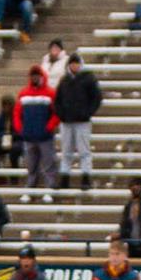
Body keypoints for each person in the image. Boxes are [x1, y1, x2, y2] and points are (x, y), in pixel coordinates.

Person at [52, 50, 98, 191]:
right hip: (67, 121)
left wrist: (87, 113)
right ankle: (65, 177)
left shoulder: (88, 79)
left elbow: (96, 98)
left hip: (82, 121)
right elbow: (57, 100)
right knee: (66, 151)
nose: (74, 66)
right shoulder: (64, 80)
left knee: (84, 151)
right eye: (72, 63)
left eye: (76, 63)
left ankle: (86, 177)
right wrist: (61, 115)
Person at [13, 64, 58, 199]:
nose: (34, 78)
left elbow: (57, 113)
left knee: (48, 163)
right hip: (29, 136)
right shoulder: (23, 93)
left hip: (45, 137)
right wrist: (20, 129)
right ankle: (30, 188)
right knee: (31, 165)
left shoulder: (50, 93)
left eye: (37, 76)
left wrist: (49, 127)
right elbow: (16, 113)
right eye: (32, 76)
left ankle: (50, 188)